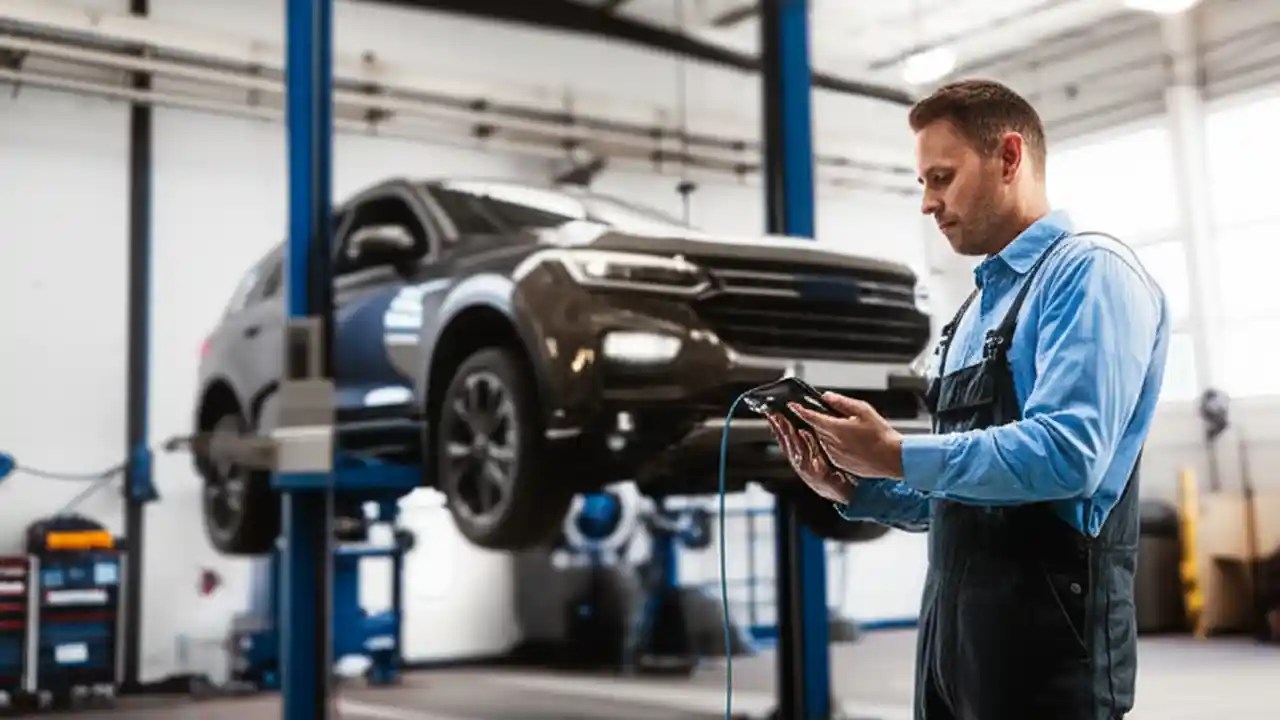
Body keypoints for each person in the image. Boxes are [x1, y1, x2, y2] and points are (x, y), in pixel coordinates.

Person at [766, 79, 1170, 720]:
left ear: (1009, 158)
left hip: (1047, 649)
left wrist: (897, 454)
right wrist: (855, 485)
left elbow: (1068, 454)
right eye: (922, 183)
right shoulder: (973, 313)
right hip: (954, 646)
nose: (928, 203)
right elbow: (964, 497)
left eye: (942, 178)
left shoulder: (1089, 274)